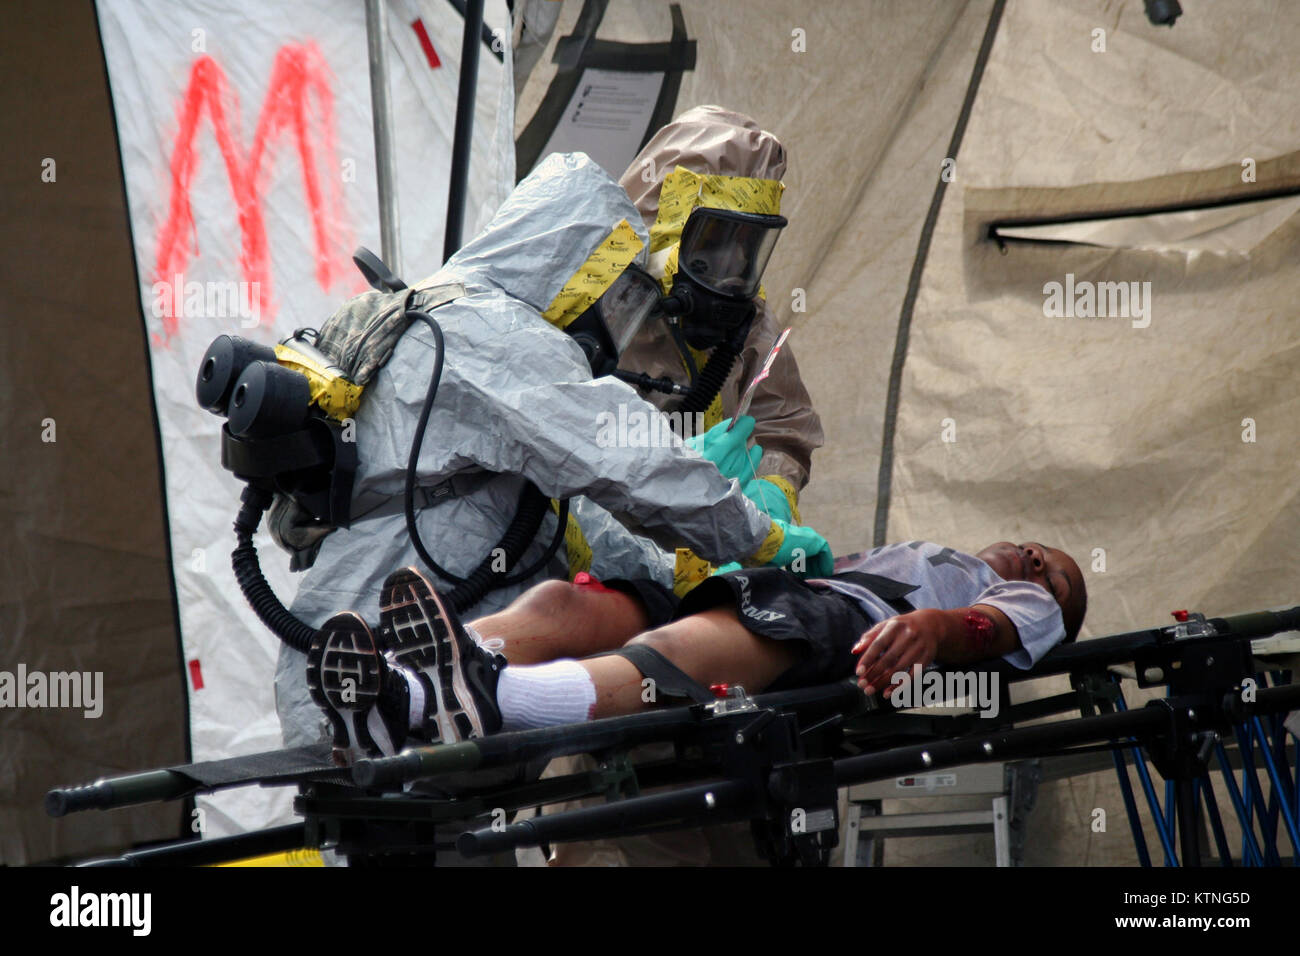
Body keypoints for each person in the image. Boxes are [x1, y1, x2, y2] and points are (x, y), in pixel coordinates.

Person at [274, 151, 831, 751]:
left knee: (438, 839)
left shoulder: (439, 315)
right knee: (425, 833)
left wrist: (682, 563)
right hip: (385, 678)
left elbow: (569, 513)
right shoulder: (494, 333)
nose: (615, 323)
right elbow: (632, 463)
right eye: (615, 293)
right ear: (577, 269)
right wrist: (764, 537)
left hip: (371, 665)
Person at [306, 539, 1086, 756]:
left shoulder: (1011, 599)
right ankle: (402, 681)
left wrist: (937, 630)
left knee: (675, 650)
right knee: (568, 604)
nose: (1031, 557)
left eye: (1052, 571)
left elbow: (1000, 628)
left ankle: (480, 698)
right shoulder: (945, 555)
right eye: (1034, 546)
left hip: (843, 631)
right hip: (783, 585)